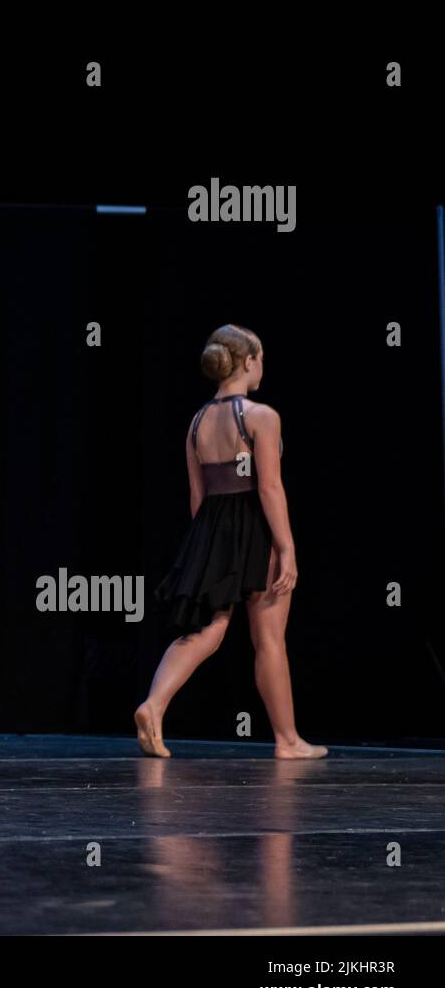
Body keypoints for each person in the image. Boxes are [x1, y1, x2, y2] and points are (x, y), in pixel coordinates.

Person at [134, 324, 327, 760]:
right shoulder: (261, 416)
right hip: (257, 527)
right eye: (261, 358)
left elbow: (196, 496)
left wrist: (207, 548)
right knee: (270, 639)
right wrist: (286, 547)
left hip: (210, 526)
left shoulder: (197, 421)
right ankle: (288, 740)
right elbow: (269, 489)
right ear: (249, 361)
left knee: (208, 629)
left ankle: (153, 703)